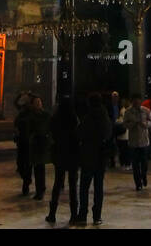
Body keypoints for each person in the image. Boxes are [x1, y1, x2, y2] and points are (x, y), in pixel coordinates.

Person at [76, 94, 112, 226]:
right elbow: (108, 134)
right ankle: (97, 216)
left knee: (84, 187)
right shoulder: (104, 117)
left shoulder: (88, 117)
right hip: (101, 157)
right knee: (98, 187)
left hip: (88, 156)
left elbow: (79, 133)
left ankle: (82, 214)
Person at [47, 95, 80, 224]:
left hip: (60, 153)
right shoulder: (73, 118)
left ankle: (52, 213)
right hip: (72, 154)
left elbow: (52, 133)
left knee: (57, 184)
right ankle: (73, 215)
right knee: (73, 186)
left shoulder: (55, 118)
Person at [124, 94, 151, 191]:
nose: (136, 103)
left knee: (144, 163)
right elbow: (125, 124)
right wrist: (133, 124)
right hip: (133, 142)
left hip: (144, 141)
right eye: (134, 101)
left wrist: (144, 124)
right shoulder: (128, 112)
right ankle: (138, 183)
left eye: (138, 101)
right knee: (135, 164)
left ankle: (144, 175)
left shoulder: (146, 110)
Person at [27, 94, 52, 201]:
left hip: (43, 142)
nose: (38, 104)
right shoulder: (30, 115)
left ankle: (40, 190)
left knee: (40, 167)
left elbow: (50, 127)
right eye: (36, 102)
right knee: (37, 167)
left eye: (39, 102)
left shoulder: (46, 115)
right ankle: (40, 189)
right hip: (35, 143)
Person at [14, 92, 33, 194]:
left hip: (28, 141)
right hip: (21, 140)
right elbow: (16, 103)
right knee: (20, 163)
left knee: (27, 163)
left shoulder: (31, 111)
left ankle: (26, 183)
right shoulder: (22, 111)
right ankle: (26, 178)